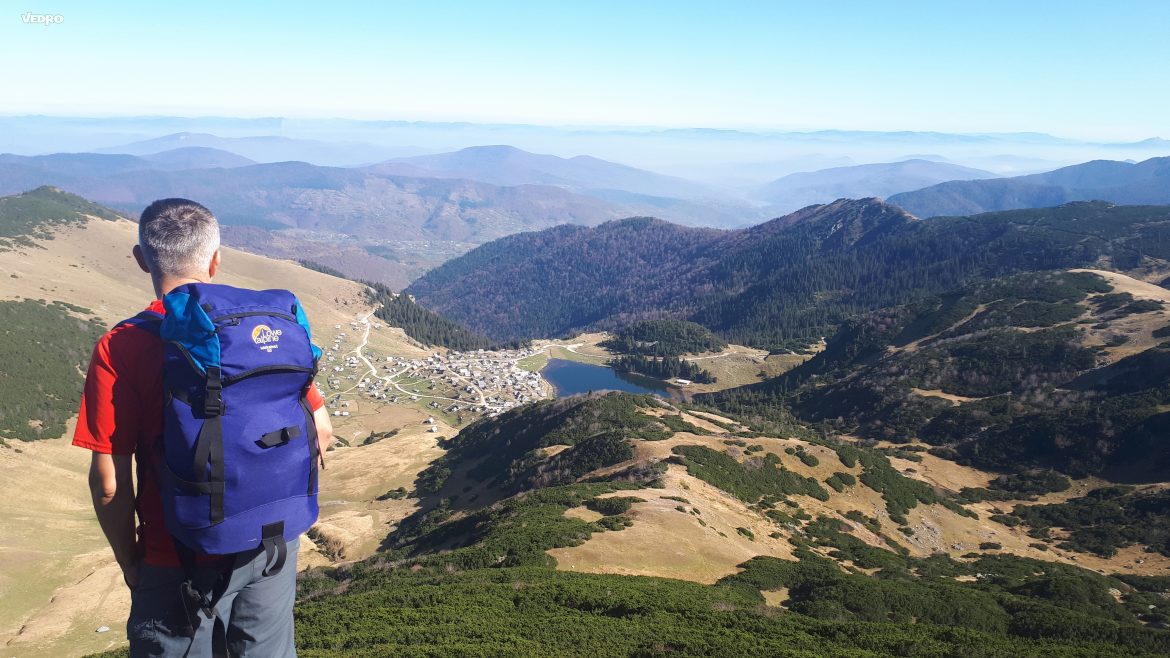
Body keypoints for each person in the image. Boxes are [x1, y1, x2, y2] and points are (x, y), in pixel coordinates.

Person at [73, 198, 334, 657]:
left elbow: (110, 483)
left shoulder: (123, 346)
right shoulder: (260, 333)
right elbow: (322, 430)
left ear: (141, 260)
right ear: (216, 258)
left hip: (175, 557)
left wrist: (132, 562)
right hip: (271, 546)